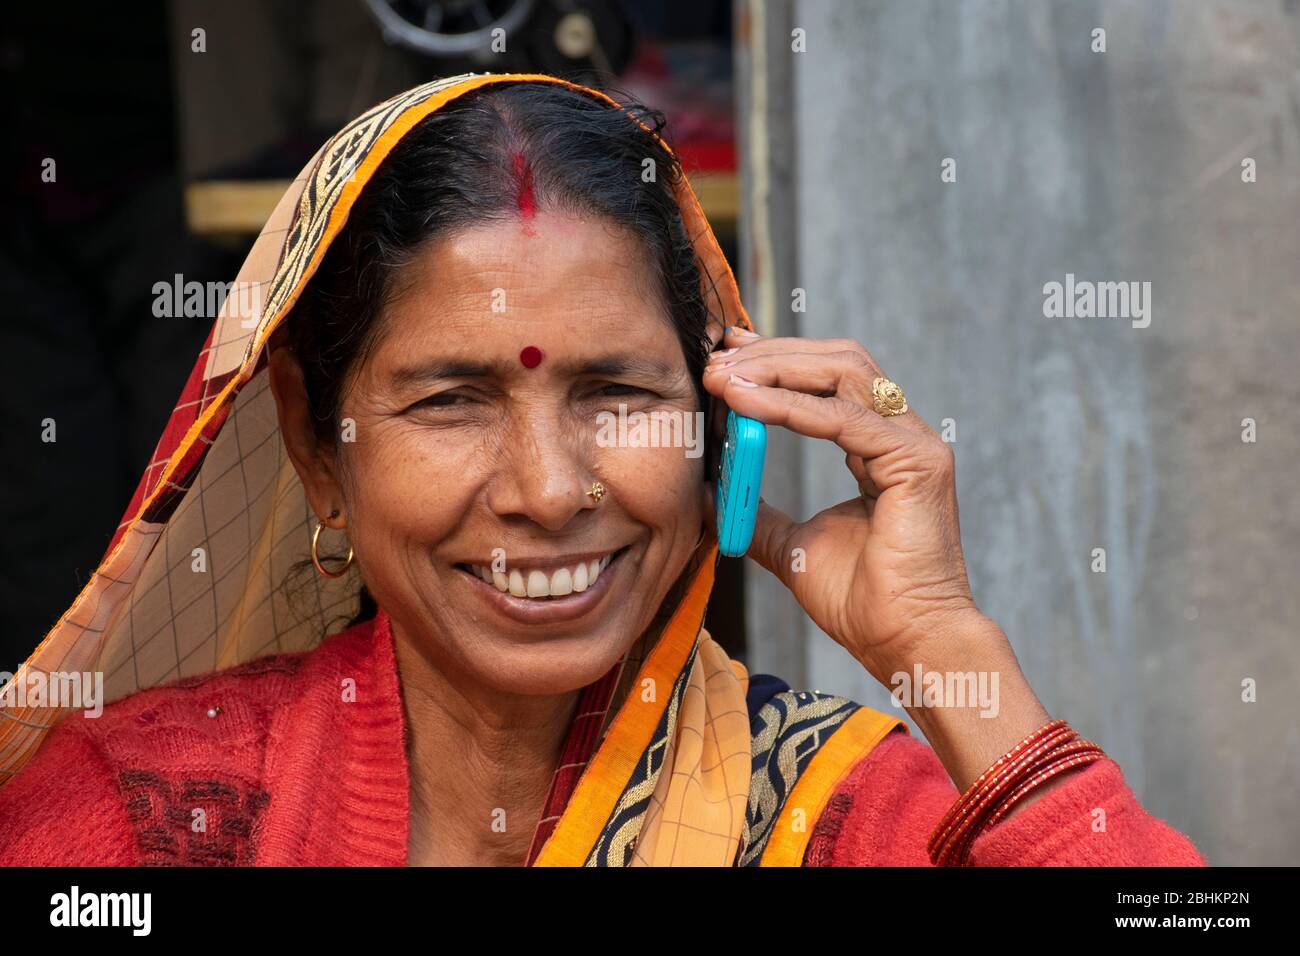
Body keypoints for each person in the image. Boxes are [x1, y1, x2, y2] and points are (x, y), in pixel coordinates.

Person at [0, 73, 1206, 866]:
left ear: (721, 417)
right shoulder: (145, 811)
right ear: (320, 447)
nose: (546, 488)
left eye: (616, 392)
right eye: (452, 399)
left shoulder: (839, 815)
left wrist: (944, 642)